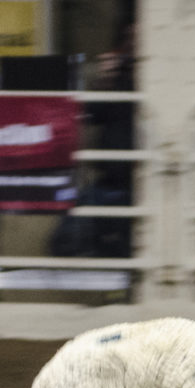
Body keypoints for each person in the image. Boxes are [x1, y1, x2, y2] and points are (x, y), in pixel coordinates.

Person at [51, 23, 136, 261]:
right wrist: (103, 83)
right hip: (110, 180)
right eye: (130, 38)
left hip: (139, 182)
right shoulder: (117, 80)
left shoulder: (151, 82)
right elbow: (91, 114)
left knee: (124, 241)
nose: (133, 45)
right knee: (79, 220)